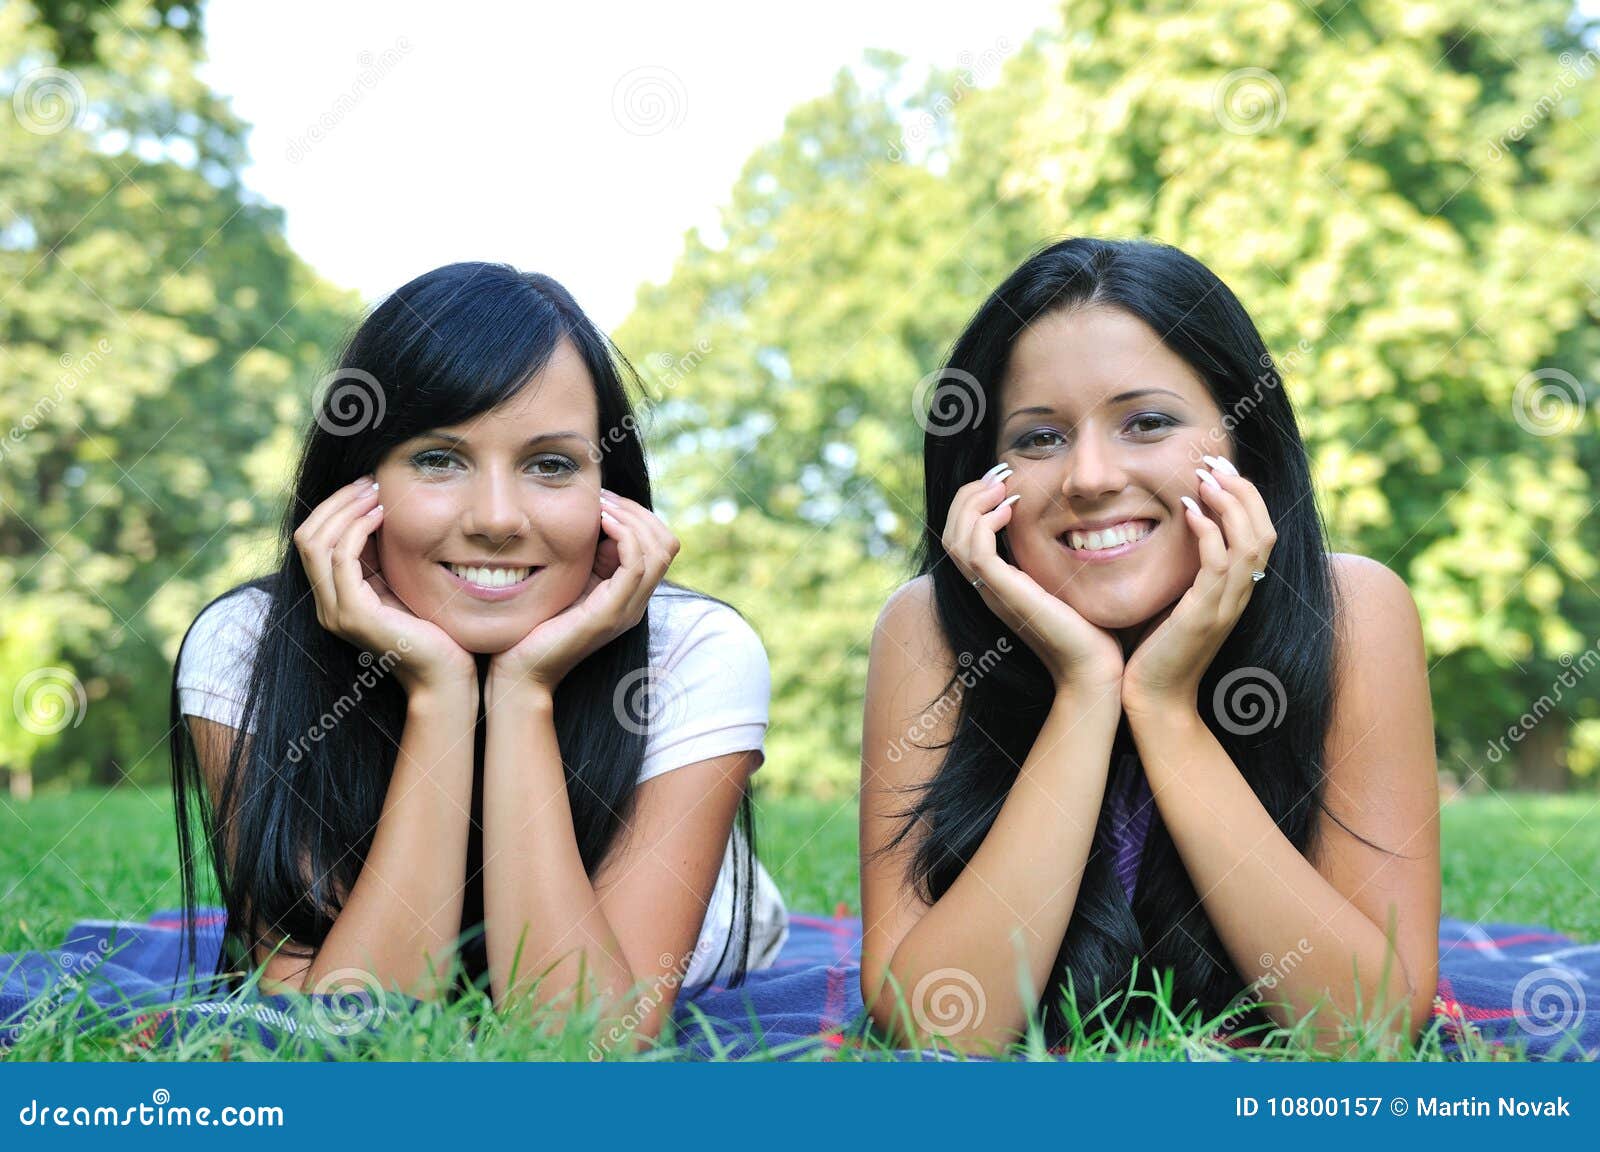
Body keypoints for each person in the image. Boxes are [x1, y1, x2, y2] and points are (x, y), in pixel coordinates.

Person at [170, 262, 787, 1047]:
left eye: (550, 465)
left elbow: (593, 1044)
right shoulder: (248, 645)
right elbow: (332, 1036)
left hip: (687, 925)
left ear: (613, 493)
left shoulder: (695, 652)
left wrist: (525, 692)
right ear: (355, 485)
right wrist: (440, 695)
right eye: (437, 458)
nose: (497, 518)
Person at [860, 237, 1440, 1055]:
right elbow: (937, 1031)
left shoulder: (1354, 611)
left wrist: (1164, 706)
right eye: (1038, 439)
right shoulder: (927, 630)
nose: (1089, 477)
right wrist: (1085, 688)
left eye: (1148, 423)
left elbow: (1366, 1030)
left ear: (1246, 443)